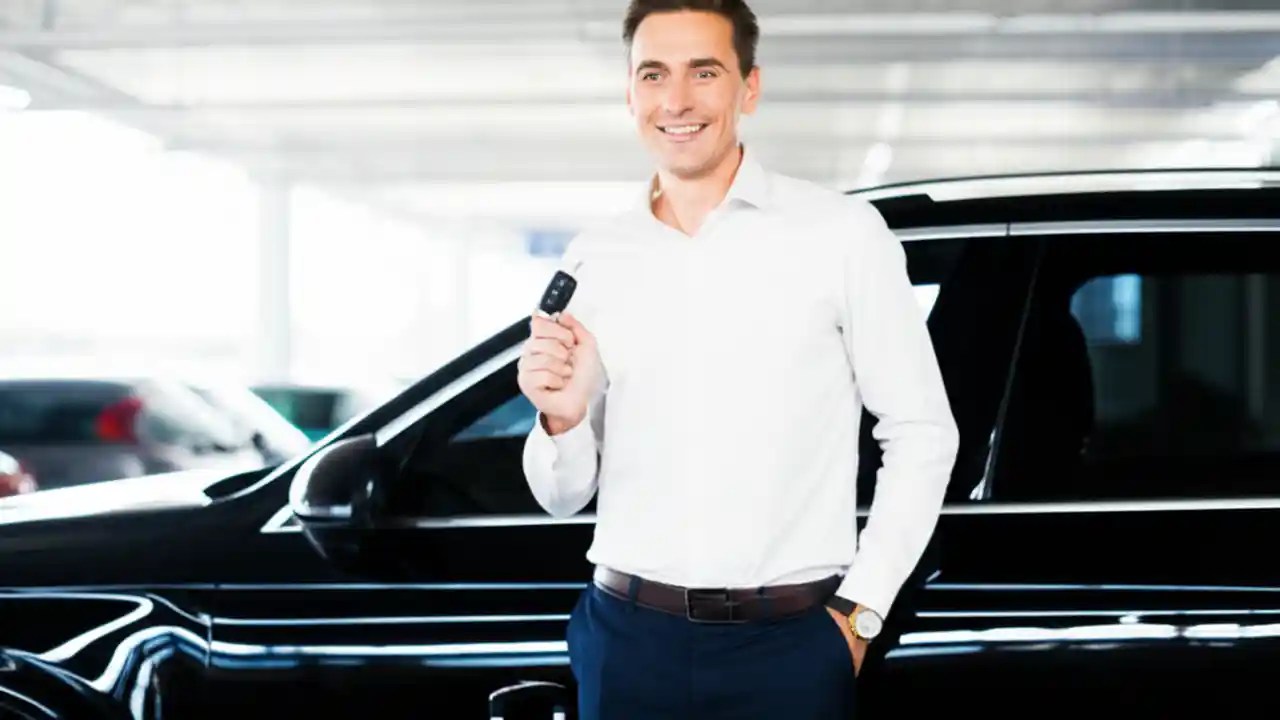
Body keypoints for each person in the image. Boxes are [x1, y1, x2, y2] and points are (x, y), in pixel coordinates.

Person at [517, 0, 959, 716]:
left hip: (790, 649)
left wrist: (861, 613)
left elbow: (922, 433)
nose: (677, 101)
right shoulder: (596, 257)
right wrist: (560, 425)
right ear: (631, 93)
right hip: (628, 644)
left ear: (749, 87)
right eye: (654, 74)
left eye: (705, 72)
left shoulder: (841, 236)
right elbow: (562, 495)